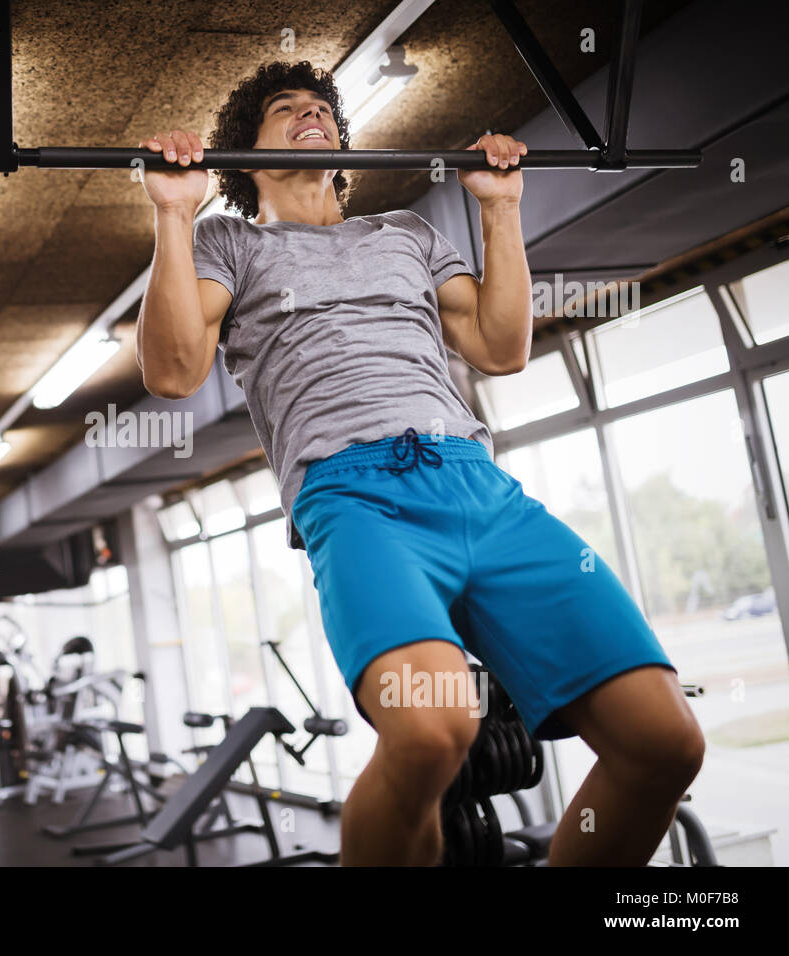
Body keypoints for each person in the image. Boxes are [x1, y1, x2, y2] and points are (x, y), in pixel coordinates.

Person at [135, 60, 704, 866]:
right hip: (357, 500)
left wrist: (500, 210)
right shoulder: (229, 242)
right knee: (434, 730)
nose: (313, 113)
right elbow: (171, 370)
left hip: (479, 487)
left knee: (663, 742)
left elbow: (501, 346)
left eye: (322, 107)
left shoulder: (404, 233)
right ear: (247, 158)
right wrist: (170, 215)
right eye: (285, 109)